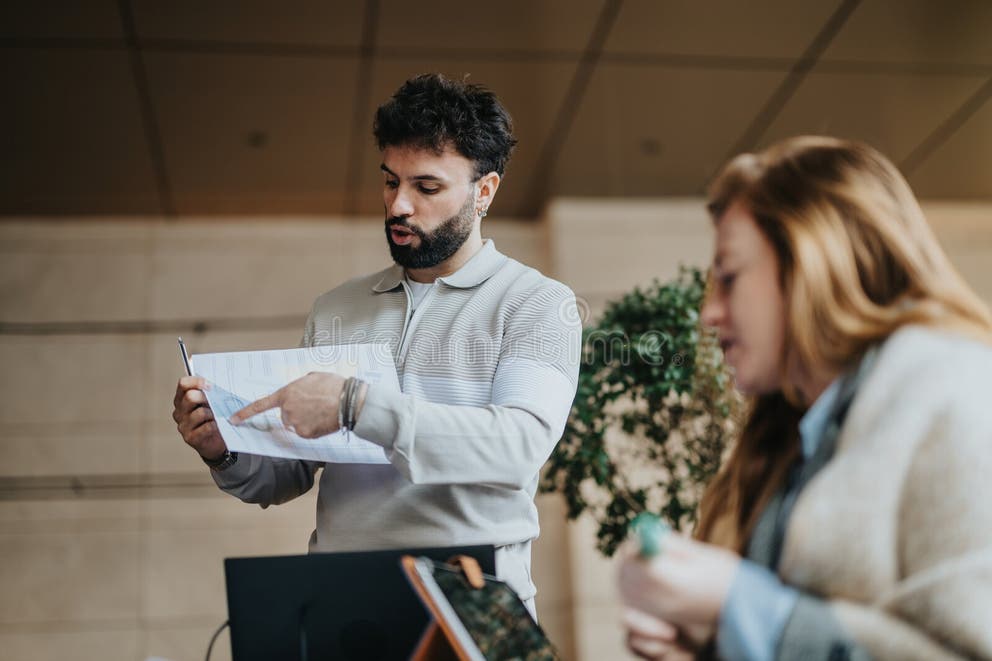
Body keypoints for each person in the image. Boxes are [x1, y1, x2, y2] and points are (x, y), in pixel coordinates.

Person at [172, 73, 581, 608]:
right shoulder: (335, 308)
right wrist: (222, 449)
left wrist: (356, 404)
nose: (398, 207)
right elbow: (288, 473)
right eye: (390, 181)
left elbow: (517, 447)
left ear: (485, 192)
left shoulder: (538, 302)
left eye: (426, 187)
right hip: (344, 606)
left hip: (478, 606)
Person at [618, 136, 992, 660]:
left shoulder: (955, 389)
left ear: (811, 261)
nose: (710, 314)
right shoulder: (796, 440)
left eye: (728, 277)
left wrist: (738, 606)